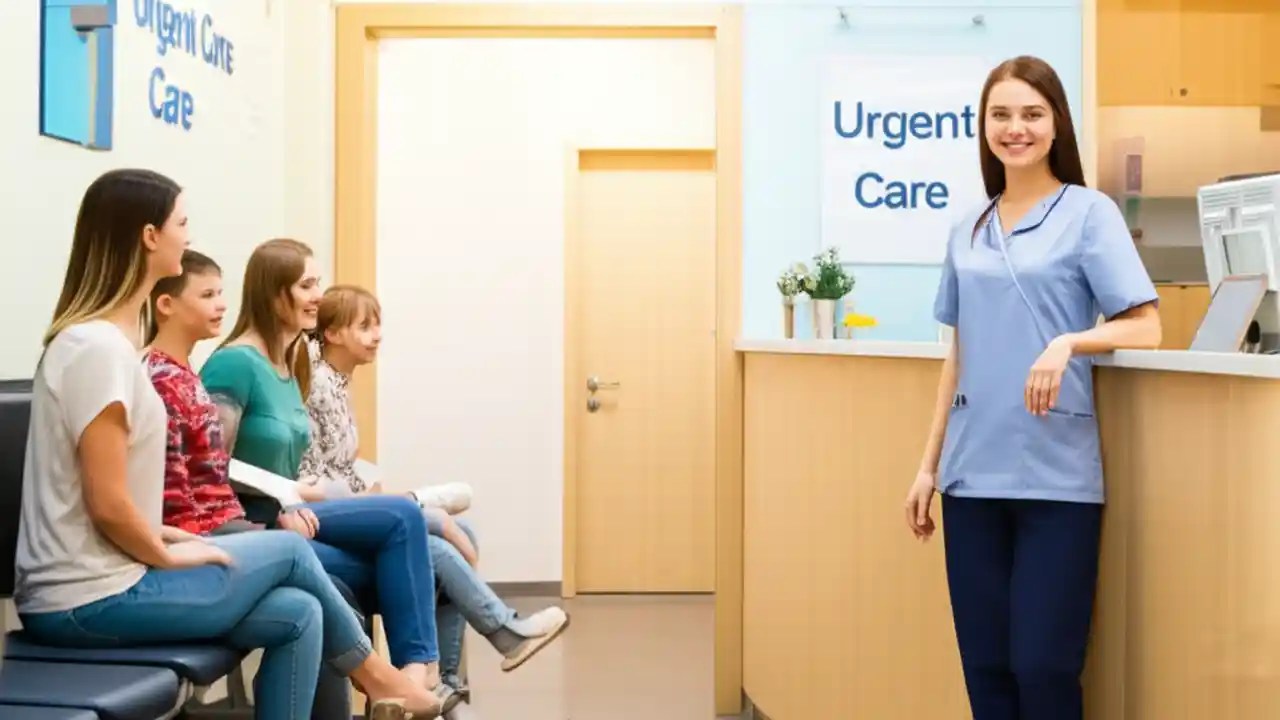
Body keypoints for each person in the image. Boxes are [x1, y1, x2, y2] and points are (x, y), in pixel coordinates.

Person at [13, 169, 440, 720]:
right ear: (149, 236)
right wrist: (169, 552)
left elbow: (108, 503)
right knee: (289, 550)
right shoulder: (96, 350)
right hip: (85, 600)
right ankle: (382, 681)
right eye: (182, 223)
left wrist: (166, 537)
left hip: (114, 577)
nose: (188, 236)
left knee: (299, 613)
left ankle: (383, 687)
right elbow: (106, 502)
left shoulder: (112, 347)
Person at [904, 56, 1162, 720]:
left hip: (1056, 483)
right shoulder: (969, 227)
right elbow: (955, 356)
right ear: (984, 126)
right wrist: (928, 466)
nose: (1014, 128)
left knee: (1044, 669)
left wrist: (1069, 341)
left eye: (1031, 114)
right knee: (987, 672)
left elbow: (1146, 327)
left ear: (1056, 126)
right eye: (1000, 114)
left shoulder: (1088, 213)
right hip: (971, 480)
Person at [196, 239, 449, 697]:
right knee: (403, 519)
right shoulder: (233, 364)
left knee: (402, 557)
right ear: (275, 294)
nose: (318, 295)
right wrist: (277, 507)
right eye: (307, 285)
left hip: (293, 514)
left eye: (318, 283)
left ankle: (416, 677)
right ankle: (417, 673)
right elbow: (208, 469)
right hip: (252, 524)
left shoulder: (288, 363)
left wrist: (297, 494)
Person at [300, 285, 571, 694]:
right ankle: (501, 635)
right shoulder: (319, 384)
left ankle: (445, 681)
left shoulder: (337, 382)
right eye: (365, 326)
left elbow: (340, 467)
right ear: (334, 334)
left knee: (463, 535)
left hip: (342, 508)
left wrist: (384, 494)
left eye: (378, 325)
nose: (377, 335)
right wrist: (422, 513)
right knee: (437, 547)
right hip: (320, 518)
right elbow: (318, 479)